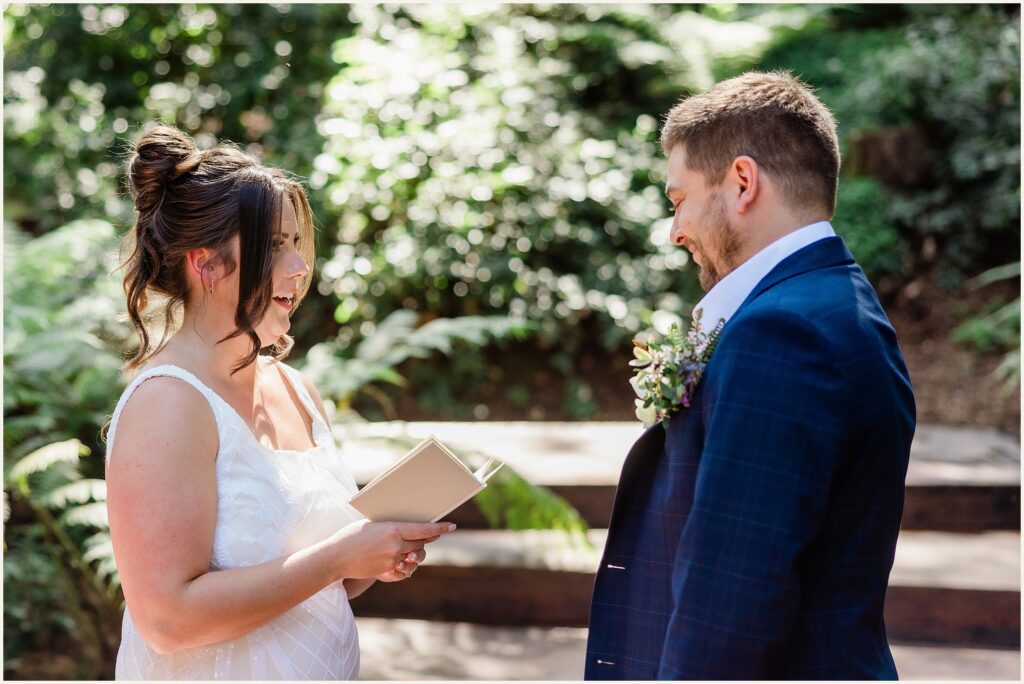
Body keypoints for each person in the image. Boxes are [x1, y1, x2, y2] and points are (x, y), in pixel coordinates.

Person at [585, 71, 916, 679]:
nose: (675, 231)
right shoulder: (837, 303)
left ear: (742, 182)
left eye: (678, 199)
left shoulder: (782, 334)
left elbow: (732, 602)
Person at [104, 124, 455, 679]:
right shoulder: (168, 404)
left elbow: (322, 580)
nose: (299, 267)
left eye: (296, 244)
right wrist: (337, 557)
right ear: (206, 263)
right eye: (273, 247)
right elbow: (167, 621)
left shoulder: (297, 390)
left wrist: (371, 555)